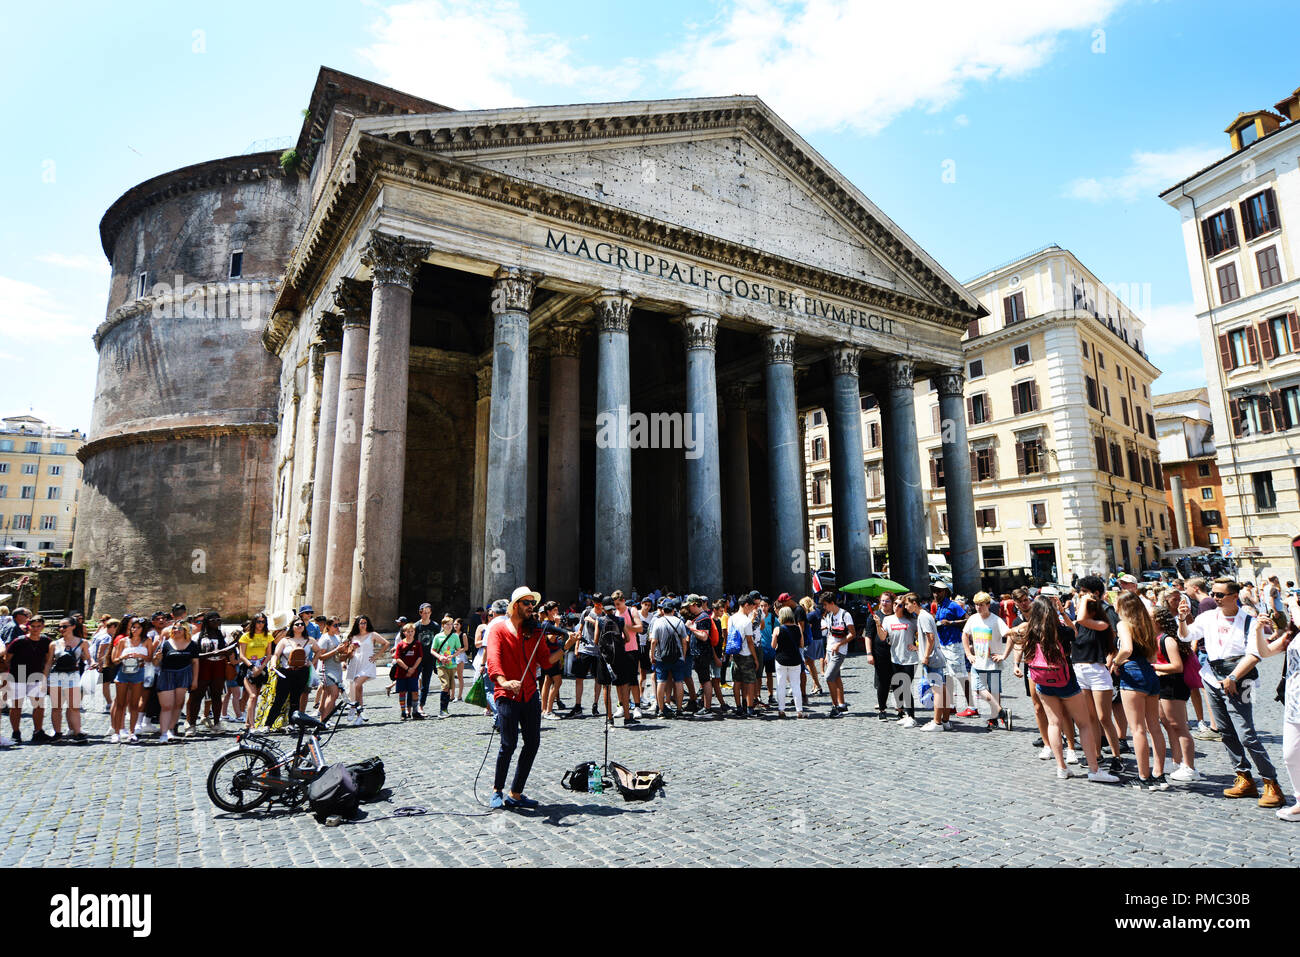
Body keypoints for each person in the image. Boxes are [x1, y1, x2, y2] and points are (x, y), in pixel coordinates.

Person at [1179, 580, 1285, 808]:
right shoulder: (1207, 617)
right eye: (1214, 594)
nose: (1215, 598)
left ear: (1234, 595)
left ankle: (1271, 782)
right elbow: (1187, 636)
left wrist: (1234, 677)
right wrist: (1182, 619)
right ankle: (1244, 777)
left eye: (1220, 595)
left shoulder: (1248, 621)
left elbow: (1255, 654)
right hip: (1212, 677)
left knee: (1246, 733)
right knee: (1226, 732)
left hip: (1241, 680)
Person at [486, 585, 578, 809]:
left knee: (533, 743)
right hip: (506, 694)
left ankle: (515, 793)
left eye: (532, 604)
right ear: (515, 605)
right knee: (508, 744)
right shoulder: (499, 630)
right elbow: (493, 661)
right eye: (527, 603)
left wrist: (566, 645)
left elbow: (546, 662)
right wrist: (504, 682)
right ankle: (497, 790)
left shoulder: (535, 631)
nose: (531, 607)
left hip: (529, 694)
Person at [1009, 598, 1117, 783]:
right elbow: (1075, 632)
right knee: (1083, 724)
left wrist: (1027, 624)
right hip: (1065, 680)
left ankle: (1061, 767)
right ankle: (1094, 769)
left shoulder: (1030, 631)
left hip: (1042, 681)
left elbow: (1009, 633)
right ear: (1052, 612)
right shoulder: (1062, 631)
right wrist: (1063, 613)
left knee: (1053, 724)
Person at [1112, 592, 1168, 790]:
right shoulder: (1146, 625)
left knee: (1137, 729)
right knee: (1154, 726)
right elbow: (1153, 657)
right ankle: (1159, 774)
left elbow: (1126, 649)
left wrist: (1115, 662)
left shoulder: (1123, 625)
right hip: (1149, 673)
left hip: (1133, 673)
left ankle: (1143, 776)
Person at [1072, 575, 1125, 775]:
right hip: (1080, 670)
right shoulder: (1080, 623)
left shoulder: (1101, 623)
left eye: (1083, 592)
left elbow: (1082, 618)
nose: (1080, 596)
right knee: (1090, 717)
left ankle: (1116, 756)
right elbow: (1075, 625)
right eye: (1079, 592)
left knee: (1104, 717)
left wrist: (1084, 601)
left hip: (1097, 671)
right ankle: (1096, 754)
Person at [1251, 611, 1300, 819]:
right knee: (1290, 755)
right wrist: (1258, 631)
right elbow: (1264, 651)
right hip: (1294, 704)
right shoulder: (1293, 634)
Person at [1151, 605, 1201, 784]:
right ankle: (1177, 761)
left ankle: (1189, 767)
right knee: (1168, 724)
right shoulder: (1157, 637)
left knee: (1179, 726)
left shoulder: (1168, 639)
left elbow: (1177, 666)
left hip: (1174, 685)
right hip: (1163, 684)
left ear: (1158, 621)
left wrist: (1153, 667)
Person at [961, 592, 1010, 729]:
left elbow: (1009, 635)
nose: (978, 607)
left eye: (981, 605)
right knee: (977, 688)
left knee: (994, 691)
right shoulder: (973, 619)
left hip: (993, 662)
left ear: (988, 605)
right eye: (976, 605)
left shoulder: (996, 620)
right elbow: (965, 635)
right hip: (978, 662)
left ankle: (994, 718)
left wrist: (1004, 655)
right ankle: (1001, 711)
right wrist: (968, 654)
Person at [266, 617, 322, 729]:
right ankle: (268, 724)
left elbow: (318, 651)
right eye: (297, 624)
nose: (300, 626)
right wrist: (273, 664)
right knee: (280, 699)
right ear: (292, 627)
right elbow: (276, 655)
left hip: (302, 672)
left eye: (302, 624)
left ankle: (292, 723)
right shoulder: (285, 640)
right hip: (286, 672)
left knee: (296, 699)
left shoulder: (310, 640)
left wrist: (311, 663)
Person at [932, 582, 977, 718]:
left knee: (961, 675)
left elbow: (967, 620)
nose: (935, 594)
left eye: (938, 591)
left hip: (954, 644)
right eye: (934, 591)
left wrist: (950, 623)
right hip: (944, 644)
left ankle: (972, 706)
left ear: (945, 592)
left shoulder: (953, 605)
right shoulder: (939, 606)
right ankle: (951, 705)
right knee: (948, 676)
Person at [6, 613, 50, 744]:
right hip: (18, 675)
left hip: (37, 675)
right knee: (16, 706)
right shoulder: (19, 641)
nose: (35, 628)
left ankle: (38, 731)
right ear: (28, 626)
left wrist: (44, 676)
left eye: (38, 626)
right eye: (33, 626)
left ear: (42, 627)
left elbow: (48, 660)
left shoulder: (46, 641)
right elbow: (7, 659)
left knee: (38, 705)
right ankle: (16, 732)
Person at [153, 619, 198, 744]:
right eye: (174, 628)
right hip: (167, 674)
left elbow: (195, 663)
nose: (176, 630)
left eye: (179, 628)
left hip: (183, 675)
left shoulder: (192, 644)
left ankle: (171, 729)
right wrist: (157, 658)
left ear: (185, 630)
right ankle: (164, 733)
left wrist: (194, 680)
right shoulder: (165, 644)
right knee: (167, 706)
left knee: (178, 704)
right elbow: (155, 663)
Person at [46, 618, 89, 743]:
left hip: (72, 675)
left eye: (64, 626)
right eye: (60, 627)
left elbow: (88, 658)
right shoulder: (54, 644)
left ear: (73, 627)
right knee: (56, 707)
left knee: (74, 706)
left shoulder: (83, 642)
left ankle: (77, 732)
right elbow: (49, 663)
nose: (61, 629)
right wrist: (44, 678)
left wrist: (93, 663)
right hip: (56, 675)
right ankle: (57, 733)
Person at [111, 617, 153, 744]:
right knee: (120, 704)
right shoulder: (124, 641)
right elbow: (115, 659)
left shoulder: (147, 641)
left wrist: (140, 656)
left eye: (138, 627)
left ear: (142, 629)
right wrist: (123, 656)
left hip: (138, 672)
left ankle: (132, 732)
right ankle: (116, 732)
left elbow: (150, 658)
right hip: (124, 671)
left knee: (134, 705)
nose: (135, 630)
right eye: (133, 627)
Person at [882, 594, 919, 726]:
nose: (896, 606)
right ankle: (906, 713)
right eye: (895, 604)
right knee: (898, 687)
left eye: (900, 605)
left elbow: (924, 634)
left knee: (906, 687)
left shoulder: (911, 621)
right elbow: (882, 636)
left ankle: (912, 717)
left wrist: (917, 646)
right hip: (895, 658)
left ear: (904, 607)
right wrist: (877, 624)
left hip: (910, 659)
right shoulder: (887, 620)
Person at [345, 615, 388, 727]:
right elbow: (349, 653)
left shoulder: (372, 634)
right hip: (355, 662)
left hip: (367, 663)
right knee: (356, 688)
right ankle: (359, 713)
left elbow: (386, 643)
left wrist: (377, 656)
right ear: (357, 624)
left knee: (357, 684)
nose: (363, 625)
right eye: (361, 623)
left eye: (365, 622)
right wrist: (351, 650)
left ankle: (354, 707)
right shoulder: (353, 636)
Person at [650, 599, 688, 723]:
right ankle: (678, 709)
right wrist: (683, 654)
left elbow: (654, 641)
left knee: (661, 682)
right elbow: (684, 640)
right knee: (678, 682)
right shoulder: (679, 622)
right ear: (673, 610)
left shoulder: (658, 622)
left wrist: (652, 655)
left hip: (661, 657)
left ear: (662, 611)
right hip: (678, 657)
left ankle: (661, 709)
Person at [819, 591, 854, 716]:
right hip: (830, 651)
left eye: (825, 605)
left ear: (832, 603)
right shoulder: (829, 616)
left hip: (840, 651)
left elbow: (852, 634)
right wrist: (827, 654)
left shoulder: (845, 615)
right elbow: (829, 635)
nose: (824, 607)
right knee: (836, 677)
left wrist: (839, 644)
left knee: (828, 677)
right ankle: (842, 705)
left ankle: (835, 707)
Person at [238, 613, 273, 731]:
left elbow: (269, 654)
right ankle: (252, 725)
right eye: (258, 621)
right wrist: (252, 667)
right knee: (252, 696)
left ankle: (248, 723)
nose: (261, 624)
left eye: (263, 622)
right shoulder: (246, 636)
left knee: (256, 696)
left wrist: (262, 666)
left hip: (262, 667)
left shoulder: (268, 636)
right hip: (249, 667)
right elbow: (242, 655)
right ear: (254, 622)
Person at [771, 606, 806, 717]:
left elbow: (773, 645)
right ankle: (799, 710)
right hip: (795, 660)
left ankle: (781, 710)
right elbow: (801, 644)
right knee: (796, 685)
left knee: (780, 685)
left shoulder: (777, 629)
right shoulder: (798, 628)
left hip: (781, 659)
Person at [429, 616, 462, 719]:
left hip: (452, 665)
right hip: (441, 665)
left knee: (449, 687)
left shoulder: (455, 636)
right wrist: (440, 657)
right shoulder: (438, 637)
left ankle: (445, 709)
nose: (449, 626)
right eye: (447, 624)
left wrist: (453, 656)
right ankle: (442, 710)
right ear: (443, 626)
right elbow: (432, 650)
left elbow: (459, 649)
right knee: (445, 685)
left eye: (451, 624)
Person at [392, 622, 424, 720]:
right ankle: (403, 712)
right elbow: (397, 658)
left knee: (414, 691)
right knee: (402, 692)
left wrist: (413, 668)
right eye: (408, 631)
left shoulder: (417, 644)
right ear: (404, 632)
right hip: (402, 672)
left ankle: (414, 711)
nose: (410, 633)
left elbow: (420, 657)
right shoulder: (401, 644)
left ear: (414, 632)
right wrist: (407, 668)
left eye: (412, 631)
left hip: (413, 672)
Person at [413, 603, 440, 715]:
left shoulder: (435, 626)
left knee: (426, 683)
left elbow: (439, 641)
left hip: (430, 658)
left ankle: (421, 705)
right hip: (417, 658)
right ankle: (412, 705)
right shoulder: (416, 626)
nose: (427, 615)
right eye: (425, 613)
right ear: (420, 613)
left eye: (428, 613)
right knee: (414, 681)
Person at [797, 595, 825, 699]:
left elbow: (806, 627)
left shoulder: (809, 615)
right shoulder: (817, 611)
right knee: (810, 663)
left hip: (811, 640)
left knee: (809, 663)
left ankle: (817, 685)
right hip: (818, 639)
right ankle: (815, 684)